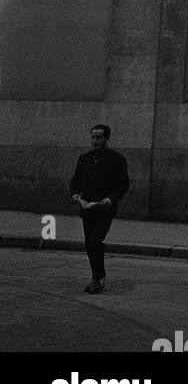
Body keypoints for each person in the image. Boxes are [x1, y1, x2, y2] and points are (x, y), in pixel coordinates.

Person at [69, 123, 129, 294]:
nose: (95, 141)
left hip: (104, 209)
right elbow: (76, 180)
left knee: (96, 240)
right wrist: (75, 195)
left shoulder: (117, 159)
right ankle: (95, 277)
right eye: (93, 137)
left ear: (107, 138)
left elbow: (123, 184)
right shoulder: (84, 158)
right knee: (89, 243)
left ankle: (99, 278)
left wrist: (111, 199)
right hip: (87, 207)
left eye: (99, 137)